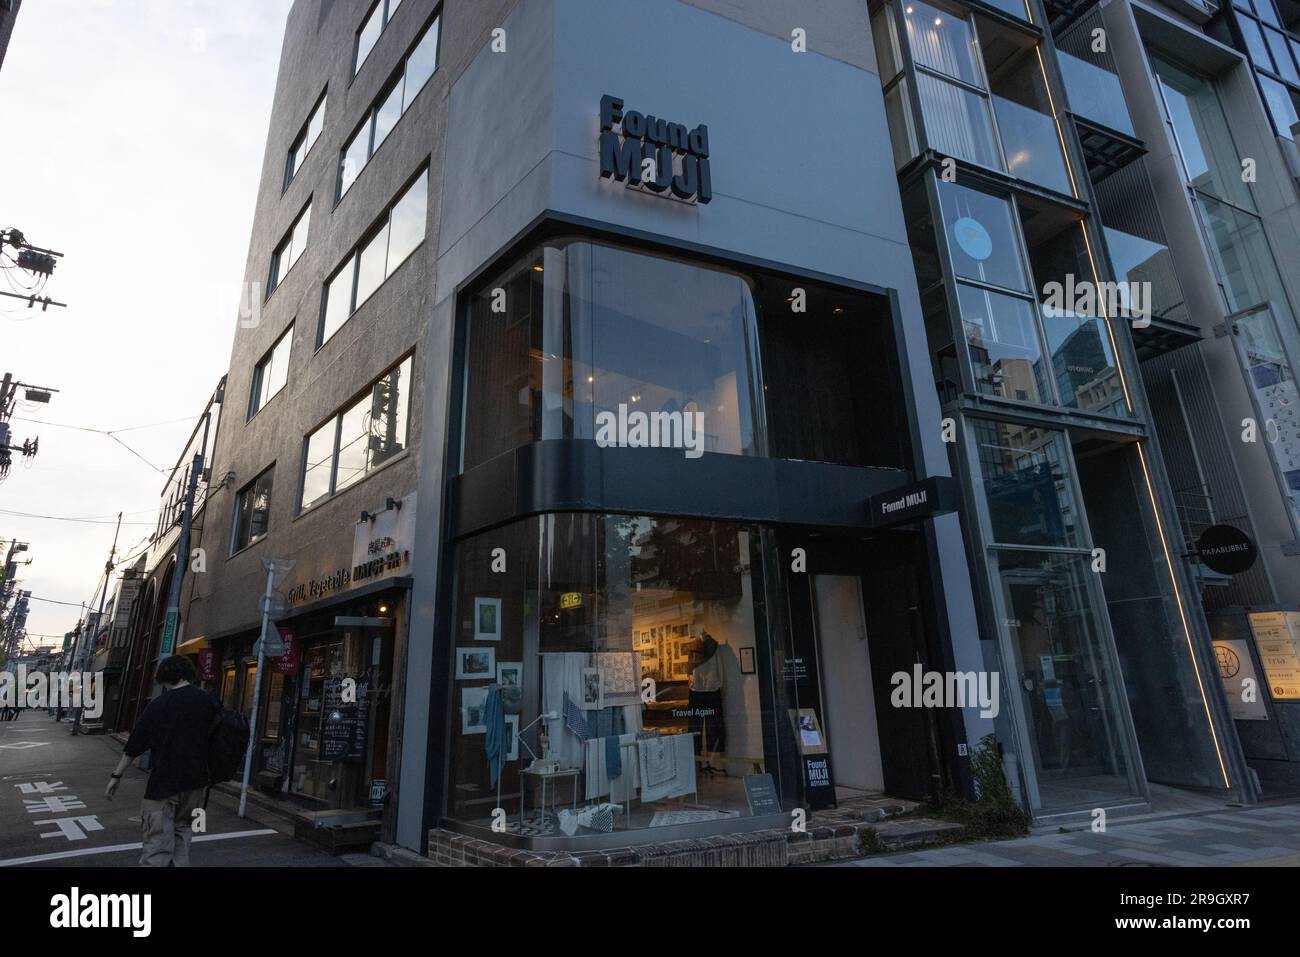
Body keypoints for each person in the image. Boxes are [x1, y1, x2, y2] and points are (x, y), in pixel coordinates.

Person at [105, 655, 219, 866]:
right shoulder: (209, 701)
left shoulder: (159, 705)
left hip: (164, 783)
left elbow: (135, 744)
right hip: (197, 784)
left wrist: (116, 775)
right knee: (184, 832)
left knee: (156, 842)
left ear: (163, 677)